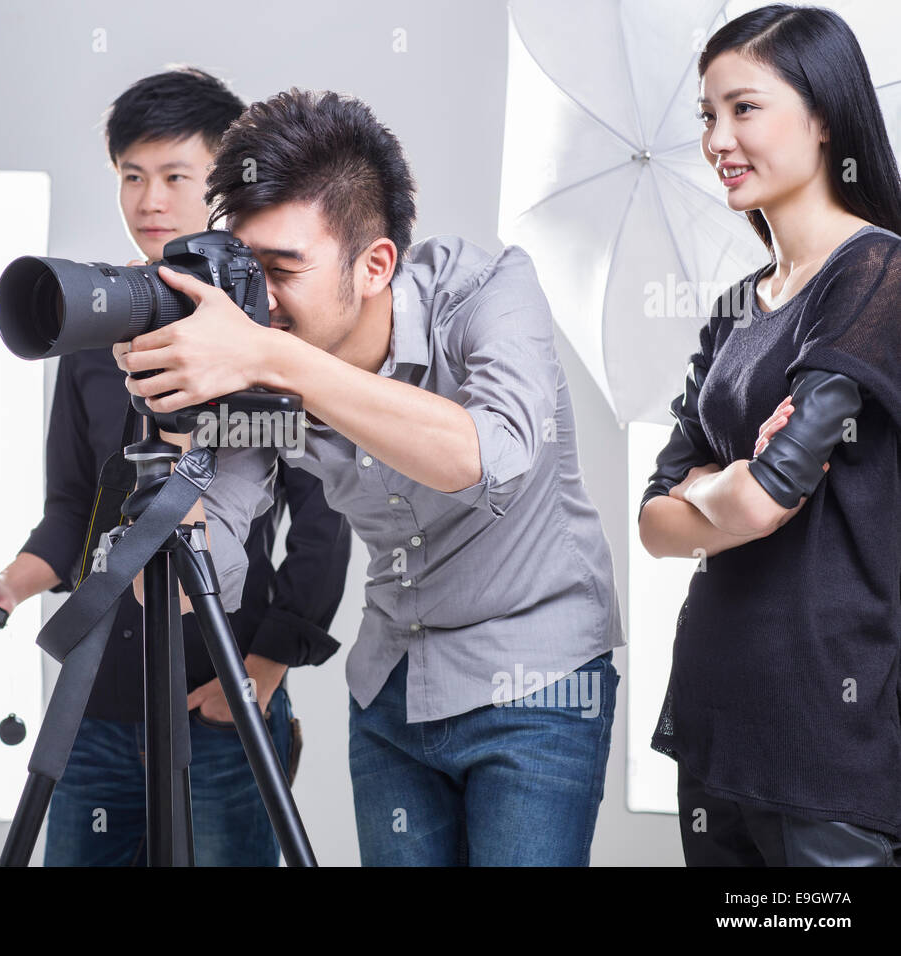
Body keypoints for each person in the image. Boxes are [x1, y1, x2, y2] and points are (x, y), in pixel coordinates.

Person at [114, 88, 624, 866]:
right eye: (247, 271)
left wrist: (273, 359)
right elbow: (192, 578)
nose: (261, 301)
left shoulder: (484, 294)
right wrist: (178, 427)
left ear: (376, 263)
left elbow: (492, 460)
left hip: (537, 684)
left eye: (284, 270)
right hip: (392, 686)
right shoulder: (265, 380)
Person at [0, 68, 351, 866]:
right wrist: (9, 589)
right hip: (93, 703)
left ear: (221, 183)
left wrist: (255, 673)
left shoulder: (270, 327)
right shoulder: (92, 327)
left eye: (174, 176)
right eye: (131, 176)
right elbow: (75, 510)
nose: (149, 200)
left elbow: (325, 518)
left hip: (217, 699)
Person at [638, 4, 901, 865]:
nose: (718, 137)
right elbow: (651, 522)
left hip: (830, 745)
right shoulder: (735, 309)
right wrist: (725, 483)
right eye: (708, 115)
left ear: (825, 114)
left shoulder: (876, 273)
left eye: (744, 108)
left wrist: (716, 487)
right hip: (715, 727)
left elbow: (765, 501)